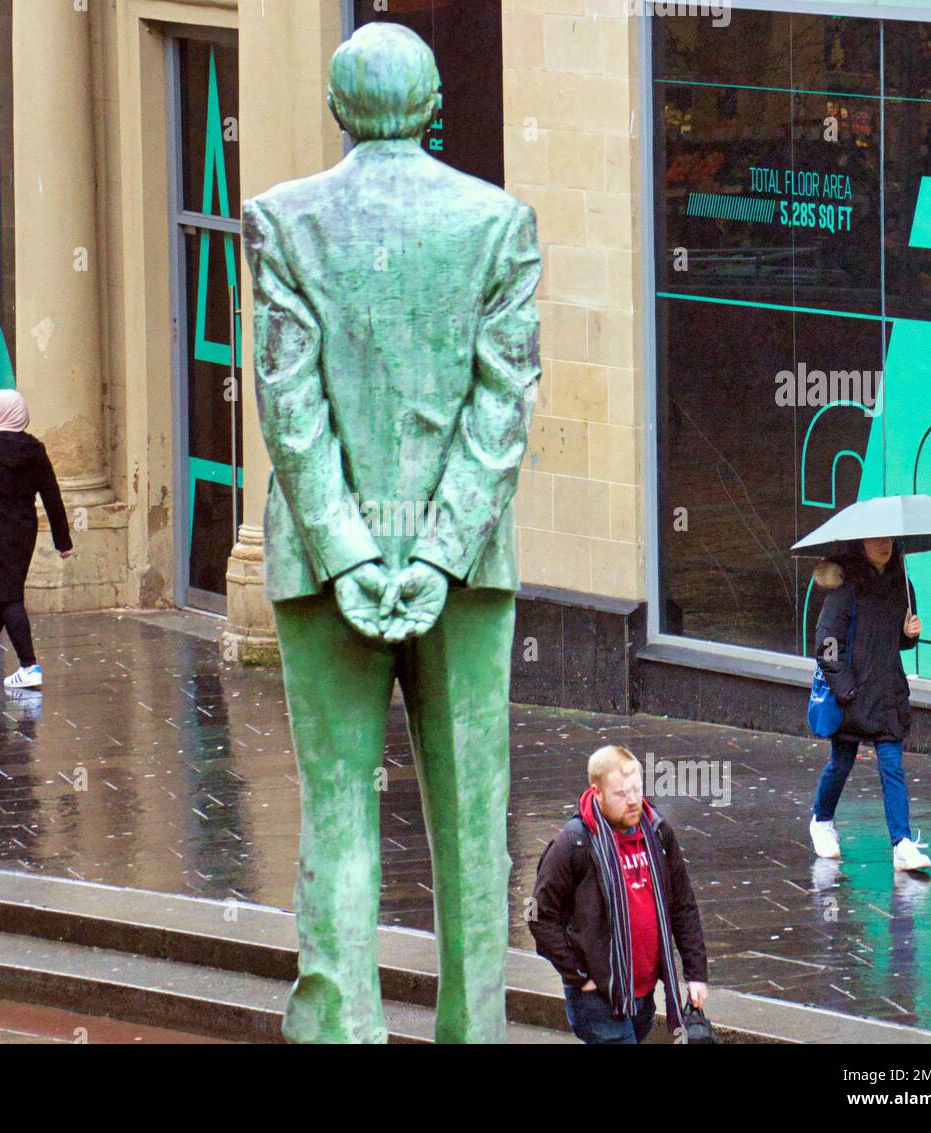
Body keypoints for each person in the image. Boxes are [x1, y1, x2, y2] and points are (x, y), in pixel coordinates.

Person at [243, 22, 540, 1043]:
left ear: (336, 109)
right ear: (435, 105)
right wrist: (442, 549)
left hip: (326, 565)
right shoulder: (499, 223)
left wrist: (352, 553)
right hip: (465, 567)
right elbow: (504, 410)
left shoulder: (283, 220)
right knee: (472, 826)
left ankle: (340, 1028)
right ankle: (474, 1028)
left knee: (337, 810)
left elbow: (288, 406)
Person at [530, 745, 708, 1045]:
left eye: (636, 790)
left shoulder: (658, 834)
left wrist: (696, 973)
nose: (632, 800)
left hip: (643, 992)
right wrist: (579, 976)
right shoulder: (574, 843)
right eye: (621, 794)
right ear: (597, 793)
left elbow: (682, 906)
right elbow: (539, 916)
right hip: (597, 998)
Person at [809, 537, 929, 870]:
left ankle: (902, 844)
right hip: (852, 696)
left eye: (889, 539)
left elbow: (897, 639)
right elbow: (827, 645)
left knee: (892, 767)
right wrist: (848, 691)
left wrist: (909, 634)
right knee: (841, 764)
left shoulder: (901, 585)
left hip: (888, 693)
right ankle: (821, 821)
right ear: (861, 544)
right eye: (876, 540)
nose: (883, 545)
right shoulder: (846, 589)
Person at [0, 390, 73, 689]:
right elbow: (51, 495)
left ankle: (29, 666)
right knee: (4, 591)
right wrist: (63, 541)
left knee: (9, 597)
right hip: (23, 529)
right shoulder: (35, 450)